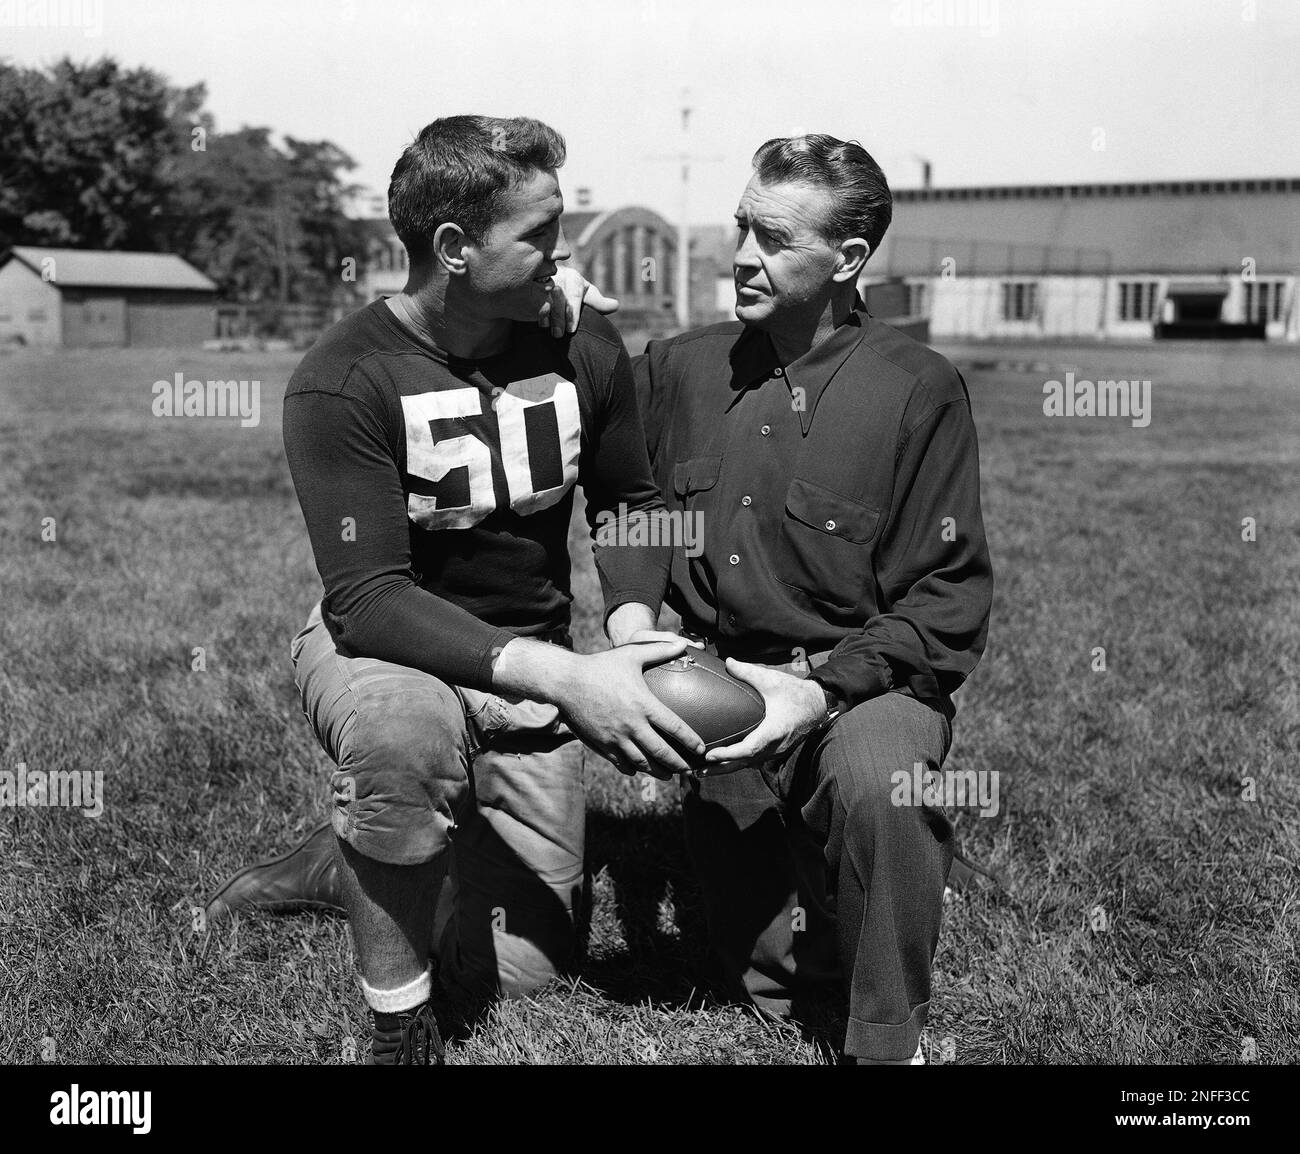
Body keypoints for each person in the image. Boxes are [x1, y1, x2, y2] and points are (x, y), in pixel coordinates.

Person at [212, 131, 993, 1067]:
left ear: (849, 260)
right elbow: (399, 587)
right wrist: (604, 651)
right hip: (555, 669)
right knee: (411, 754)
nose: (739, 253)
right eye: (742, 228)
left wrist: (742, 665)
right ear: (460, 246)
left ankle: (886, 1045)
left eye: (772, 239)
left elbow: (941, 593)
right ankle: (387, 907)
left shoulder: (910, 388)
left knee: (863, 798)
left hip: (804, 685)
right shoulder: (658, 368)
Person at [221, 114, 705, 1065]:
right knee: (405, 739)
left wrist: (634, 630)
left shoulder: (580, 342)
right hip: (390, 648)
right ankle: (398, 1025)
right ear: (453, 248)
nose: (562, 257)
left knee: (526, 969)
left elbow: (632, 500)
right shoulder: (343, 377)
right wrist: (568, 678)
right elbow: (366, 597)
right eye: (539, 237)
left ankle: (355, 856)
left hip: (528, 657)